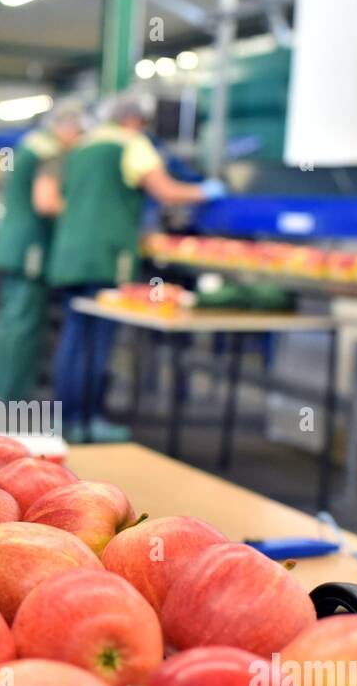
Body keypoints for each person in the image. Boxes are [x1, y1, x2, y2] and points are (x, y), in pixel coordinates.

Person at [46, 89, 225, 442]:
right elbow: (165, 190)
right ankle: (87, 420)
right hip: (106, 254)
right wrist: (207, 191)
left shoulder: (82, 147)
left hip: (70, 252)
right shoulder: (132, 144)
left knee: (74, 336)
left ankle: (64, 419)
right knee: (98, 338)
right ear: (133, 119)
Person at [0, 99, 86, 403]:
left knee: (10, 320)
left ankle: (0, 393)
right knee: (22, 323)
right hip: (31, 249)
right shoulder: (50, 153)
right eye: (78, 132)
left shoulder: (29, 146)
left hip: (13, 246)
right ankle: (11, 398)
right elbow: (47, 202)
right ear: (66, 127)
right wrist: (83, 212)